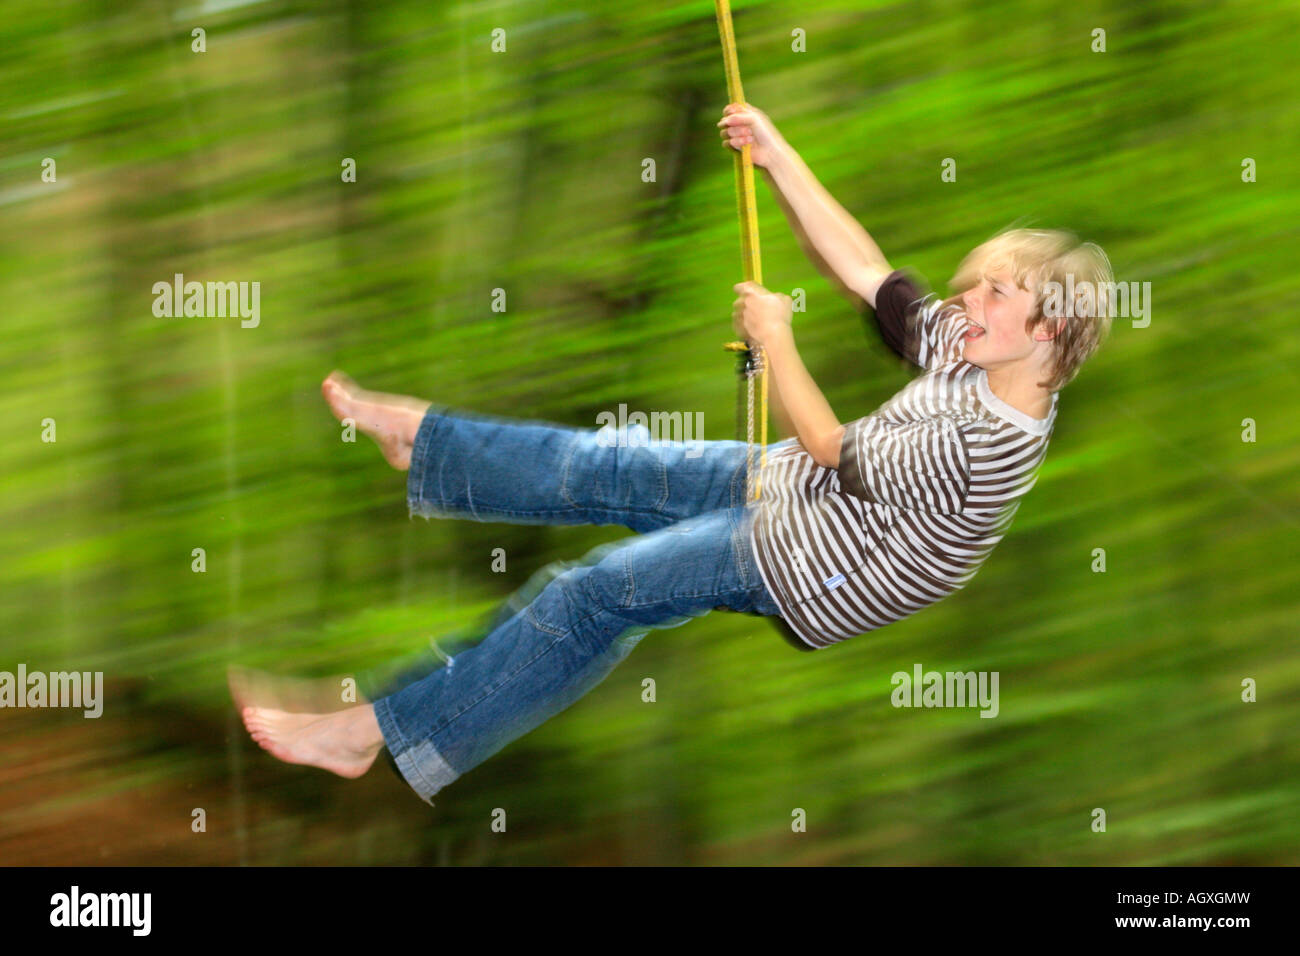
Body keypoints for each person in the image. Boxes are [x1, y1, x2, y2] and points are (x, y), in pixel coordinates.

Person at [232, 102, 1114, 804]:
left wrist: (774, 342)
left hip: (815, 566)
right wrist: (778, 156)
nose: (969, 300)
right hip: (799, 486)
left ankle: (373, 735)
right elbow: (870, 276)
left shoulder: (990, 448)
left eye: (995, 292)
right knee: (612, 463)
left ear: (1053, 331)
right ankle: (429, 444)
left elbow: (832, 444)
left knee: (591, 594)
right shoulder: (978, 344)